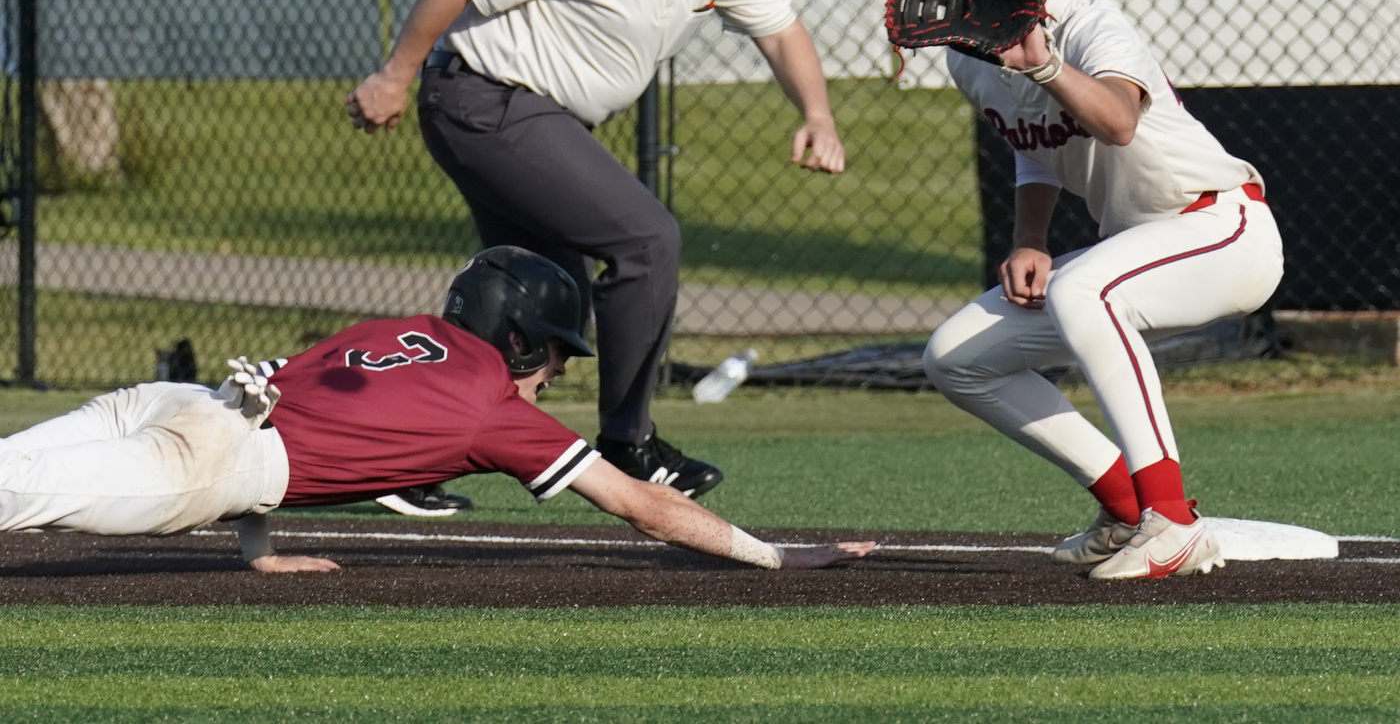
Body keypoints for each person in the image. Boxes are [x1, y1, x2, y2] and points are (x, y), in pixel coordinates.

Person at [344, 0, 845, 500]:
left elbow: (779, 28)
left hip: (527, 114)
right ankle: (629, 443)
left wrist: (818, 114)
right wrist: (395, 73)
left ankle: (405, 459)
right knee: (647, 241)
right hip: (484, 99)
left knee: (539, 304)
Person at [0, 247, 873, 573]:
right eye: (558, 352)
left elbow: (267, 408)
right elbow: (644, 505)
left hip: (172, 406)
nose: (558, 373)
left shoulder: (397, 332)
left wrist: (257, 545)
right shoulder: (494, 411)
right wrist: (776, 556)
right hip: (202, 462)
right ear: (523, 338)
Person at [919, 0, 1283, 580]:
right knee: (955, 355)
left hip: (1222, 228)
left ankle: (1172, 520)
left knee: (1085, 288)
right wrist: (1029, 239)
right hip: (1138, 252)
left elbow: (1116, 121)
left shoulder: (1089, 24)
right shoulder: (971, 62)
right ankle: (1124, 509)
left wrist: (1048, 64)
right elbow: (1037, 150)